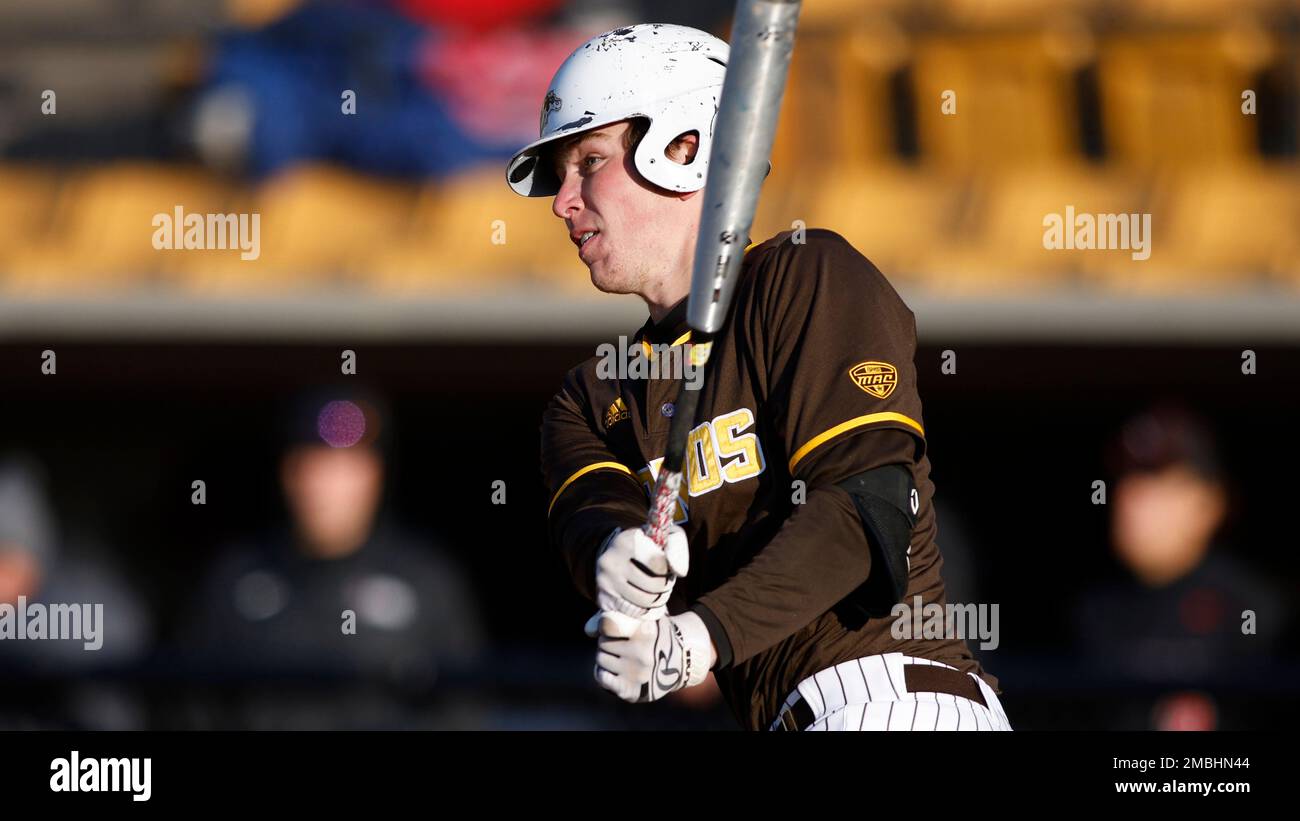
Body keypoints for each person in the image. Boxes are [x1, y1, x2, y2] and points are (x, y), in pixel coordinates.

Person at [515, 23, 1010, 731]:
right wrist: (613, 558)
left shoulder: (805, 276)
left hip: (894, 700)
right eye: (559, 176)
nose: (563, 201)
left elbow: (865, 512)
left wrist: (699, 636)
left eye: (589, 161)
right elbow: (591, 512)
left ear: (684, 147)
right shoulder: (592, 397)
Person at [184, 390, 485, 728]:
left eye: (344, 467)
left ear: (373, 475)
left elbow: (464, 709)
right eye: (314, 465)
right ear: (290, 474)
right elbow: (194, 705)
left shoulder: (427, 580)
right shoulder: (238, 578)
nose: (326, 486)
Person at [1074, 405, 1285, 729]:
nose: (1131, 499)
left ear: (1209, 502)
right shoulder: (1095, 612)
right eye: (1126, 480)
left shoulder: (1256, 609)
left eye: (1157, 482)